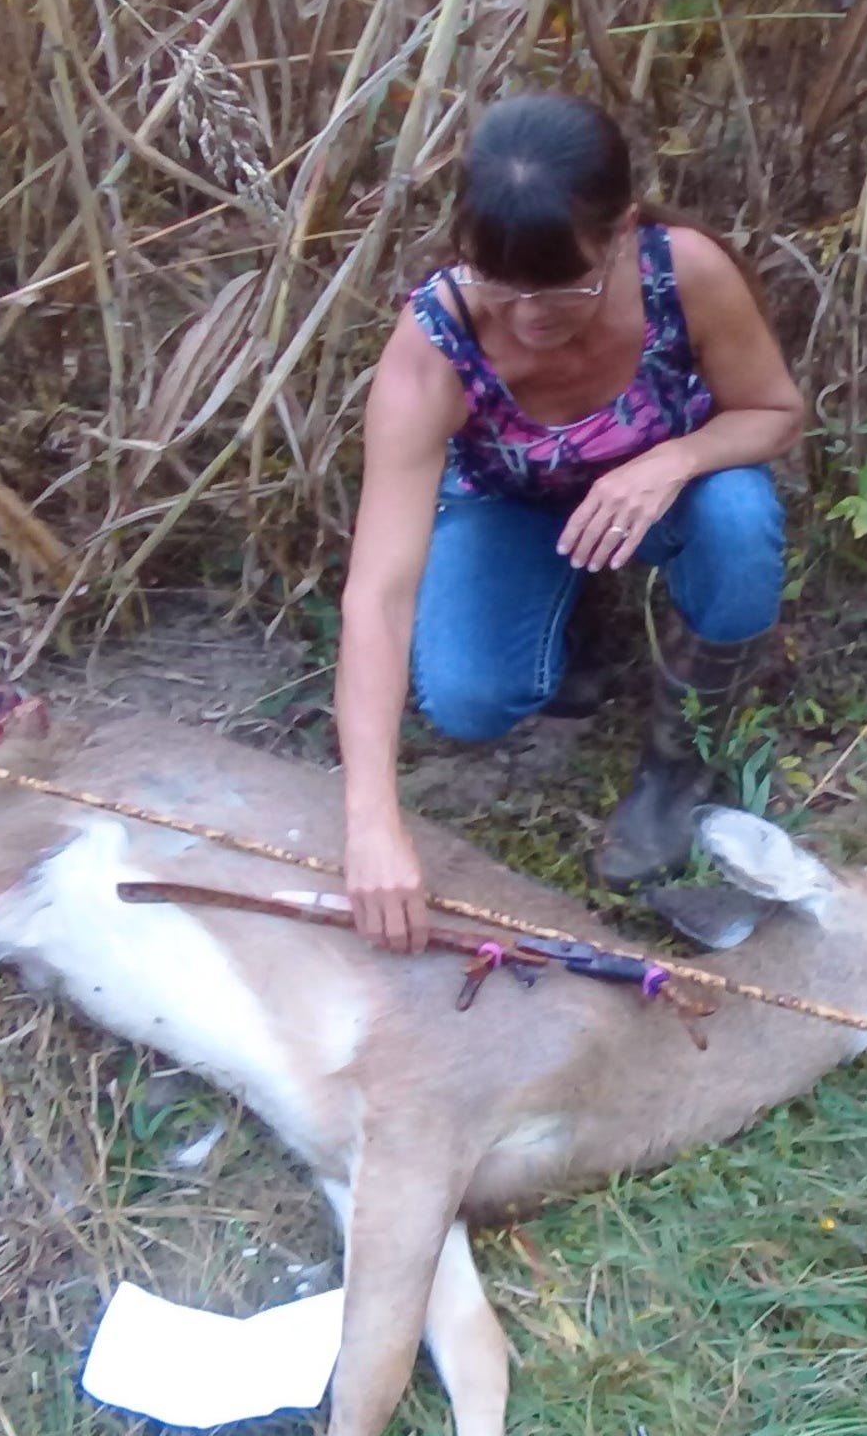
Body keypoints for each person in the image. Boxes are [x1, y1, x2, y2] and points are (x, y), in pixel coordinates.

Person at [333, 93, 804, 953]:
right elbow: (379, 593)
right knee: (470, 700)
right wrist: (370, 820)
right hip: (512, 504)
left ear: (620, 230)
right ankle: (576, 618)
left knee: (738, 517)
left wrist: (668, 462)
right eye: (499, 286)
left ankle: (676, 768)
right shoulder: (433, 343)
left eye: (561, 290)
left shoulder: (685, 273)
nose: (527, 319)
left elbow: (772, 411)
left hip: (668, 495)